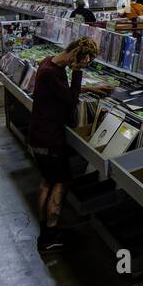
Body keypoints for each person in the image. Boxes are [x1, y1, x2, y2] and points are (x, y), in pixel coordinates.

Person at [28, 36, 99, 251]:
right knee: (61, 182)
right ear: (76, 55)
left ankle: (45, 229)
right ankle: (49, 236)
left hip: (38, 134)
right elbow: (69, 101)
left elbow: (62, 92)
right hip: (50, 138)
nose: (82, 65)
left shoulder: (49, 62)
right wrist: (77, 72)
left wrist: (90, 89)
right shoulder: (52, 73)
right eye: (83, 61)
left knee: (47, 181)